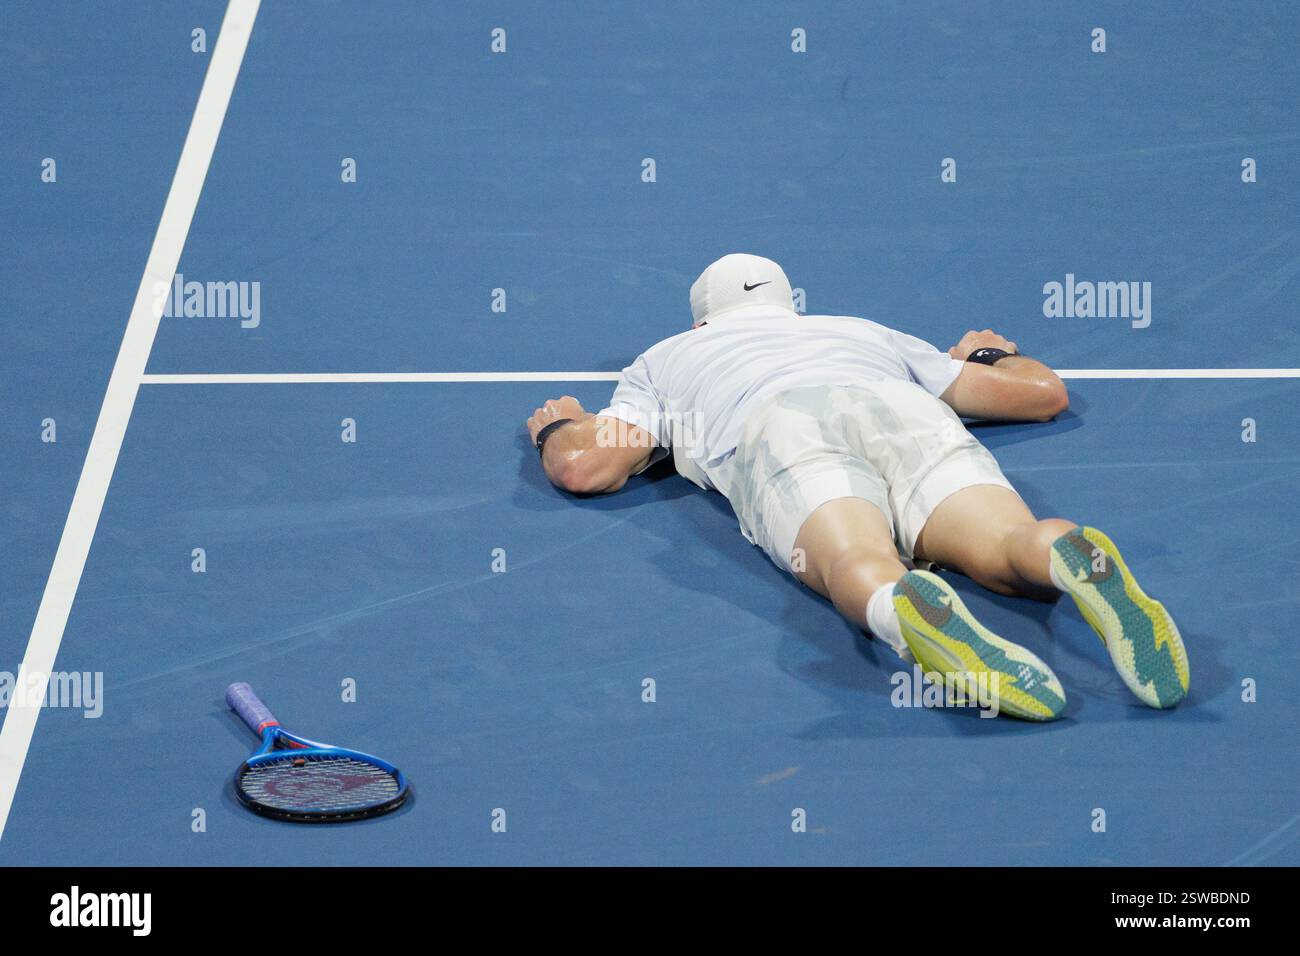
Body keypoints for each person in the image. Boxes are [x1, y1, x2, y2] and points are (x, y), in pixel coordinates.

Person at [524, 254, 1189, 720]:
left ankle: (900, 607)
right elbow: (1042, 395)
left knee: (853, 559)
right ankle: (1068, 556)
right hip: (899, 405)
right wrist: (988, 355)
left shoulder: (665, 359)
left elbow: (588, 470)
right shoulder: (862, 330)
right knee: (1009, 543)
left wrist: (561, 429)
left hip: (779, 426)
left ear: (701, 321)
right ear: (788, 305)